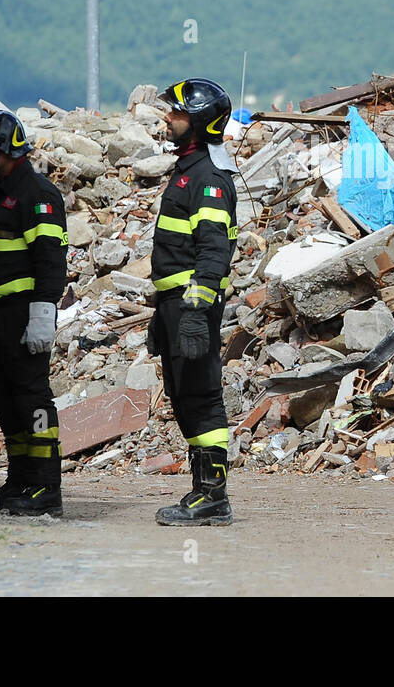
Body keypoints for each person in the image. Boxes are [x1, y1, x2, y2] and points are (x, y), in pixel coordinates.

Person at [0, 109, 68, 516]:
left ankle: (45, 486)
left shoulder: (37, 193)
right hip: (0, 316)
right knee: (7, 401)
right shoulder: (4, 189)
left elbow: (50, 257)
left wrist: (43, 313)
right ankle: (21, 478)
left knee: (32, 399)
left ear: (2, 146)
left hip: (24, 315)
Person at [147, 78, 239, 526]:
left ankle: (212, 495)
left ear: (200, 121)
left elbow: (214, 253)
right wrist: (163, 311)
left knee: (201, 396)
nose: (167, 117)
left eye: (176, 112)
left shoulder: (209, 180)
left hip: (191, 305)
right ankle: (203, 492)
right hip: (175, 304)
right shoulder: (187, 170)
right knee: (183, 397)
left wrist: (196, 313)